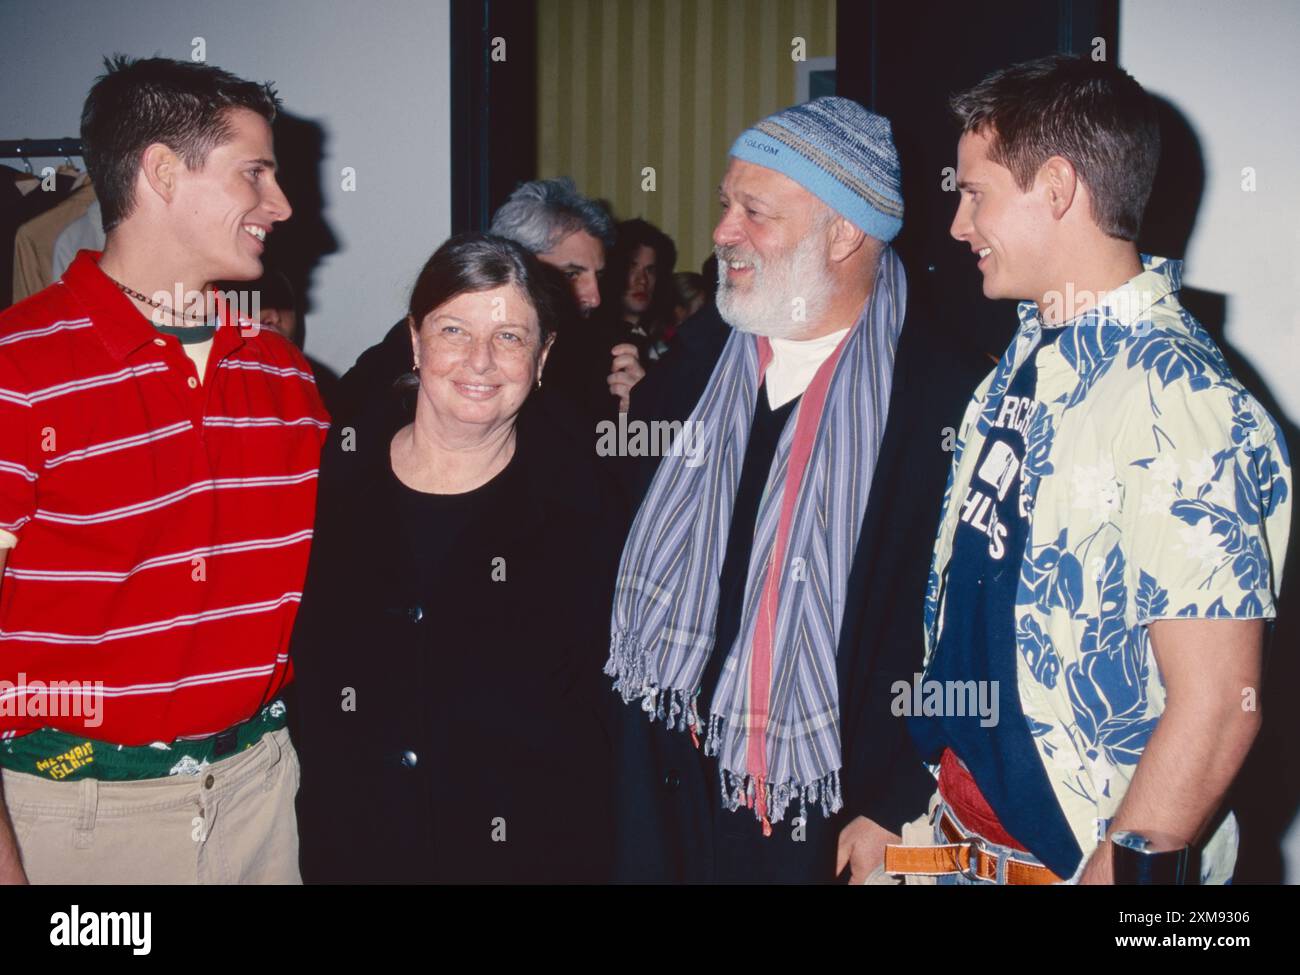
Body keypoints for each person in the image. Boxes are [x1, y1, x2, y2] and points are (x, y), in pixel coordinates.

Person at [885, 54, 1291, 885]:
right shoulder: (1026, 359)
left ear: (1059, 188)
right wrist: (907, 826)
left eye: (976, 193)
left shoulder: (1179, 402)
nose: (959, 225)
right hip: (956, 841)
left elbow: (1216, 708)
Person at [607, 96, 989, 882]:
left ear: (843, 232)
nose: (720, 233)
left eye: (755, 211)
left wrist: (894, 797)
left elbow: (966, 625)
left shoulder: (944, 396)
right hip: (663, 777)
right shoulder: (701, 353)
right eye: (725, 205)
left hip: (820, 804)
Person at [0, 56, 327, 884]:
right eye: (255, 173)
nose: (281, 205)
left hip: (258, 795)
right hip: (74, 812)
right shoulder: (17, 369)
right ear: (161, 172)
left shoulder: (286, 377)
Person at [291, 234, 622, 883]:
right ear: (415, 340)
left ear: (544, 354)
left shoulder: (593, 511)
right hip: (352, 855)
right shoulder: (326, 482)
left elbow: (607, 727)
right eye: (454, 329)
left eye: (510, 337)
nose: (480, 360)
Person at [332, 177, 644, 423]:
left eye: (599, 276)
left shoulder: (596, 352)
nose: (595, 297)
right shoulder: (425, 341)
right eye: (572, 274)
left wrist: (634, 413)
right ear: (516, 265)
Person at [600, 217, 677, 362]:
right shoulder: (596, 340)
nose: (642, 280)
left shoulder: (665, 341)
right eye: (632, 268)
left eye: (650, 270)